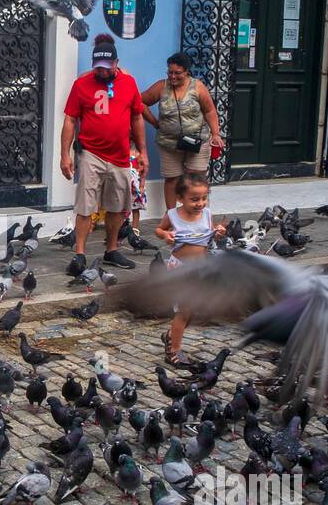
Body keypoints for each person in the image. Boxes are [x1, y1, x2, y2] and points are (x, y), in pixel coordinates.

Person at [60, 33, 148, 275]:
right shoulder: (82, 84)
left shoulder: (129, 83)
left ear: (116, 63)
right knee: (85, 205)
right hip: (91, 153)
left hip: (119, 156)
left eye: (106, 67)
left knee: (117, 206)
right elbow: (70, 120)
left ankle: (111, 250)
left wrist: (142, 152)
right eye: (97, 67)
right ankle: (79, 254)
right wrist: (65, 155)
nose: (101, 71)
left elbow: (137, 117)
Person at [153, 172, 226, 364]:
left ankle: (170, 336)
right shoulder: (173, 215)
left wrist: (218, 233)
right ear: (180, 198)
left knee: (193, 312)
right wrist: (165, 235)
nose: (200, 203)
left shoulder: (207, 214)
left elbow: (209, 237)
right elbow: (159, 229)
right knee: (184, 311)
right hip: (180, 269)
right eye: (194, 199)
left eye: (204, 198)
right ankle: (174, 352)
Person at [140, 53, 223, 211]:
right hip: (169, 143)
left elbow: (210, 111)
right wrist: (155, 123)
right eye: (170, 72)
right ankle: (171, 217)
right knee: (172, 179)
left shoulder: (197, 86)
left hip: (197, 141)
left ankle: (196, 216)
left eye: (177, 73)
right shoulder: (161, 87)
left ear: (187, 72)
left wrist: (216, 133)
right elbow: (139, 101)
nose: (173, 76)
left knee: (196, 180)